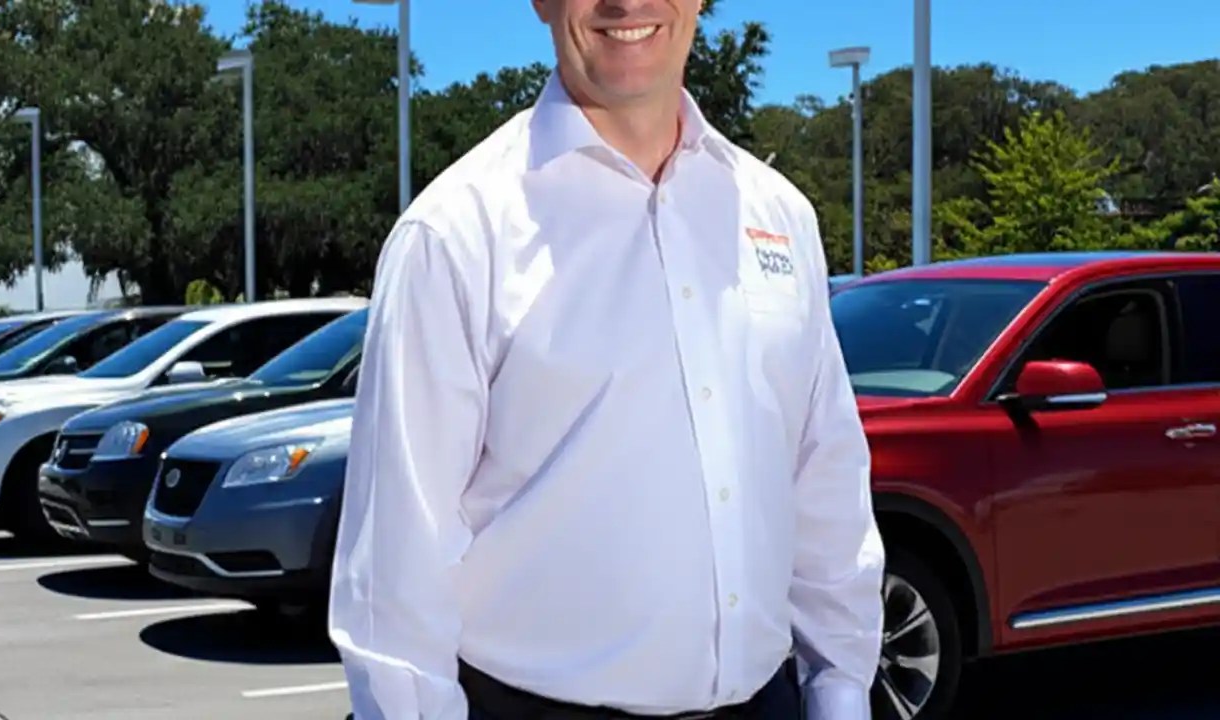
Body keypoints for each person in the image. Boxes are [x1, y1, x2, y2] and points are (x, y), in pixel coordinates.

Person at [328, 0, 885, 718]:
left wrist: (841, 693)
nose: (627, 4)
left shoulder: (780, 216)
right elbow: (396, 580)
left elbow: (826, 485)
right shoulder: (455, 235)